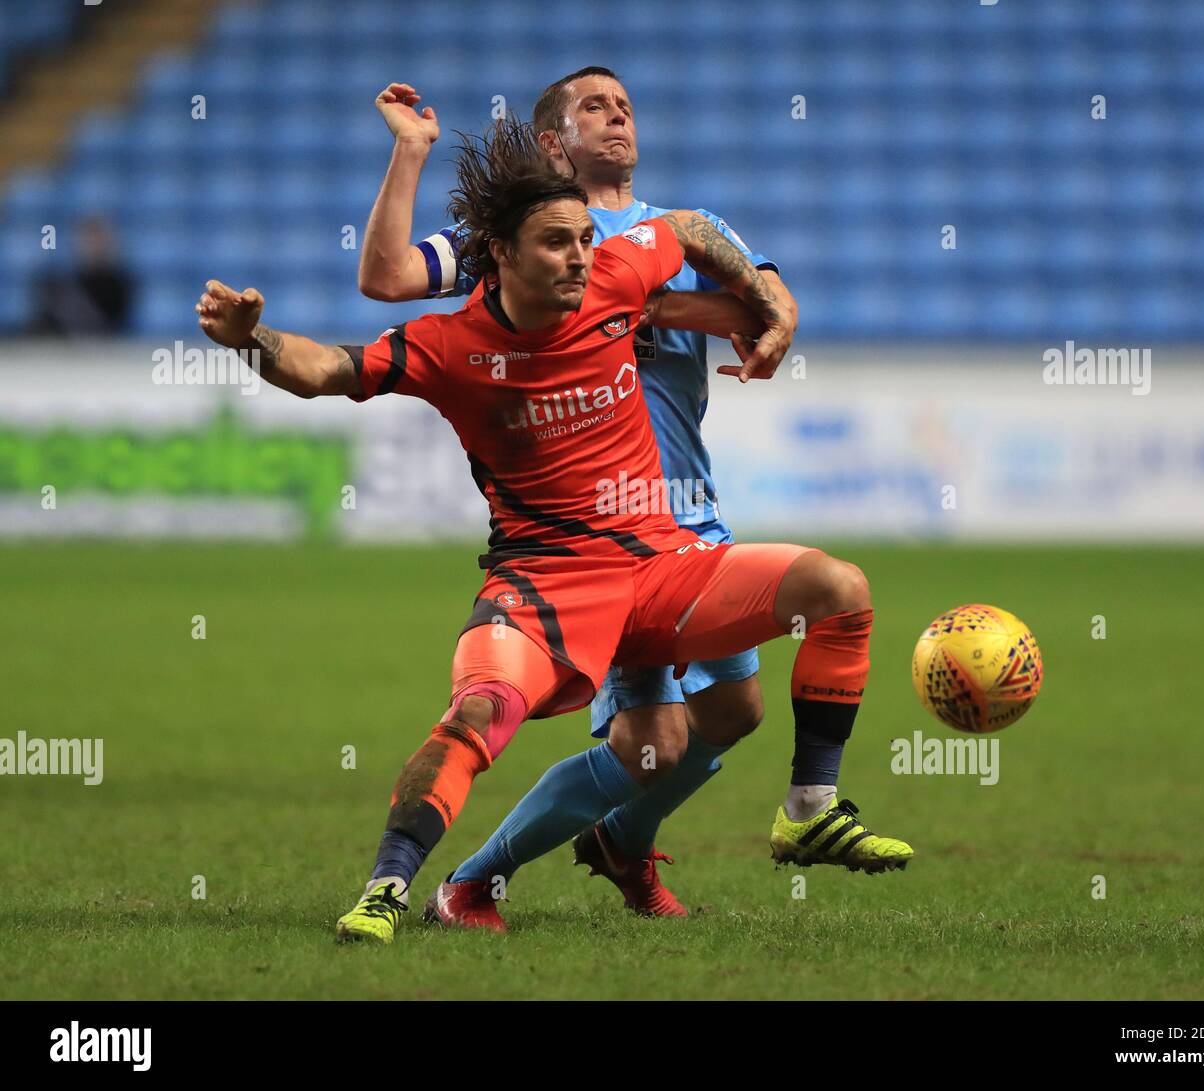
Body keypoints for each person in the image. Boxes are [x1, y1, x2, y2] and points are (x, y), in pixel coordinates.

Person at [197, 118, 909, 945]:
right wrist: (253, 340)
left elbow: (680, 229)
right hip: (545, 588)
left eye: (582, 239)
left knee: (837, 591)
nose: (580, 257)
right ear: (497, 251)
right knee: (481, 715)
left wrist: (763, 293)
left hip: (661, 566)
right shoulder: (449, 345)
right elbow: (325, 370)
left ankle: (809, 810)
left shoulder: (613, 275)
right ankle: (389, 890)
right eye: (556, 244)